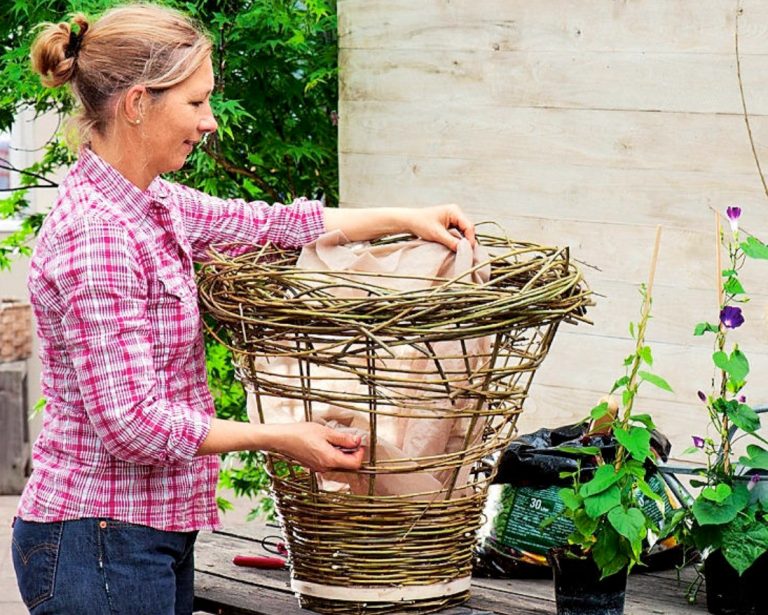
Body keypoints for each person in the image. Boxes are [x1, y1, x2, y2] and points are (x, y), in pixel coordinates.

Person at [11, 4, 475, 614]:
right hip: (97, 539)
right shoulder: (99, 236)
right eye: (196, 103)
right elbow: (133, 423)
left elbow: (270, 224)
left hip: (140, 534)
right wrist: (282, 437)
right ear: (137, 104)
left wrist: (403, 217)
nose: (209, 123)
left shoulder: (153, 205)